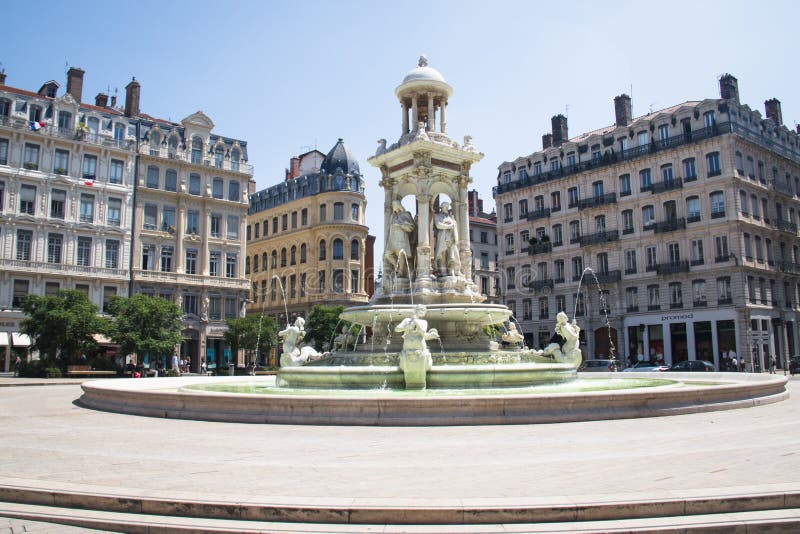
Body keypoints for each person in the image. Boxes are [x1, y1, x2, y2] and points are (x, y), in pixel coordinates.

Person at [384, 200, 415, 280]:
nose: (393, 207)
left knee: (401, 253)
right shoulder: (392, 216)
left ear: (398, 205)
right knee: (387, 255)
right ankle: (397, 267)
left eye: (394, 205)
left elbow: (411, 227)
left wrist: (400, 225)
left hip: (402, 238)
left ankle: (401, 271)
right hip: (392, 239)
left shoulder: (406, 214)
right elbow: (389, 229)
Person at [434, 202, 462, 277]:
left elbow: (454, 225)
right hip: (442, 237)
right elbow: (438, 225)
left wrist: (451, 225)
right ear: (441, 208)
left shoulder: (451, 217)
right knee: (442, 255)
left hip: (451, 238)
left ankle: (453, 271)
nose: (446, 208)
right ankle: (443, 272)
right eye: (445, 207)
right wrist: (449, 226)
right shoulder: (437, 216)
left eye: (447, 207)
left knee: (453, 256)